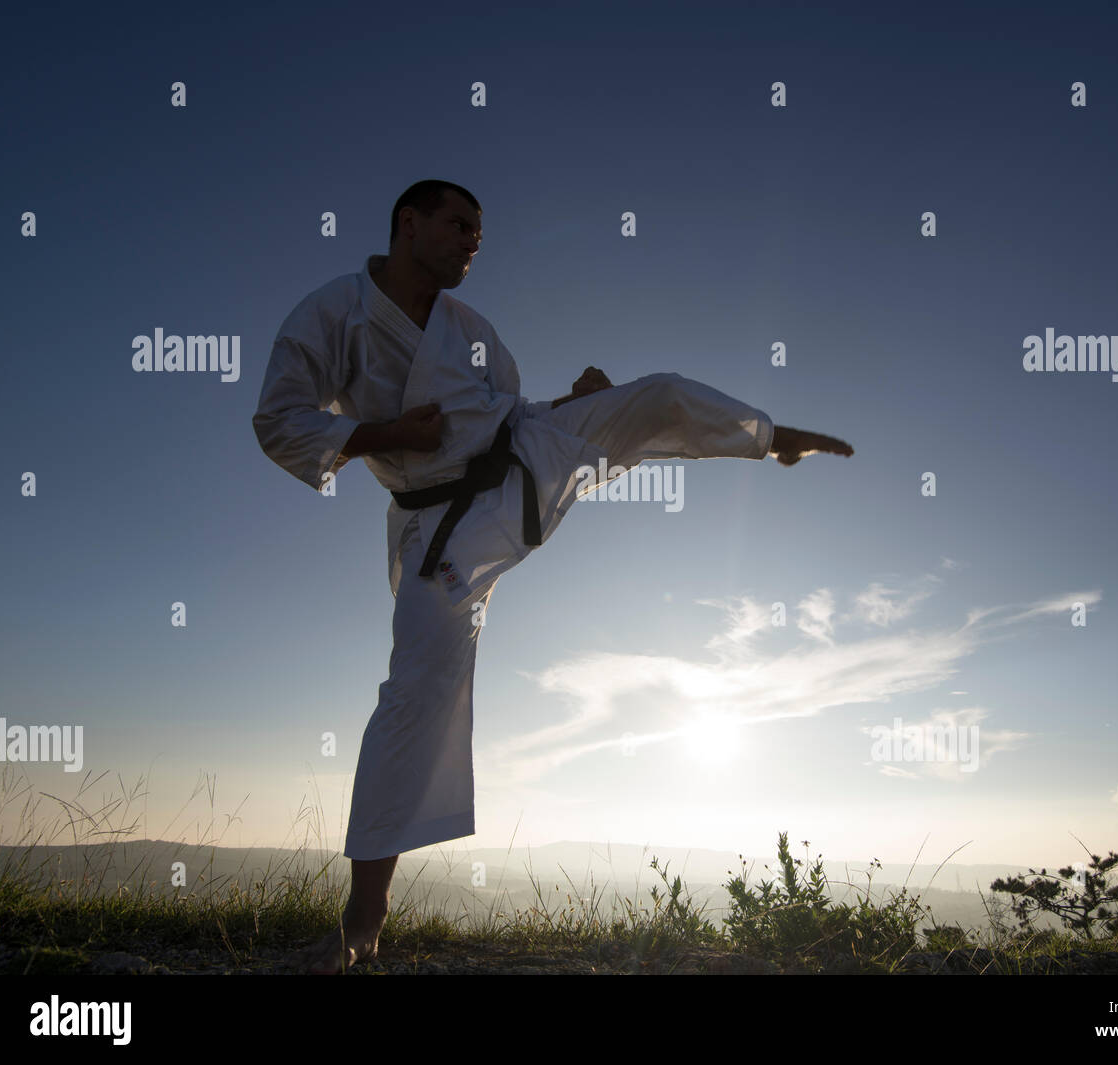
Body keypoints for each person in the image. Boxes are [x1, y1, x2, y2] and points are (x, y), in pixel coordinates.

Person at [251, 179, 853, 973]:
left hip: (526, 458)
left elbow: (504, 410)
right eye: (458, 224)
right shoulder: (333, 315)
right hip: (440, 526)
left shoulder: (472, 328)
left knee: (657, 396)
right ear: (408, 223)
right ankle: (363, 920)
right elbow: (280, 421)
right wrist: (386, 432)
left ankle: (769, 436)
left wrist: (574, 403)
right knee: (415, 694)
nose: (472, 240)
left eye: (479, 232)